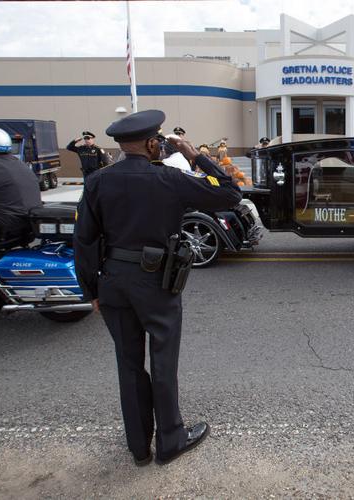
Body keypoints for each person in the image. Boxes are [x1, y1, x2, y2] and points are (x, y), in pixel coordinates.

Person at [73, 110, 242, 466]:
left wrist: (92, 291)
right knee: (162, 361)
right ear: (152, 143)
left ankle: (138, 447)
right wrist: (196, 155)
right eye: (159, 142)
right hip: (156, 281)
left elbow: (84, 240)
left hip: (113, 281)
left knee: (129, 363)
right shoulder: (169, 178)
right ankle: (170, 441)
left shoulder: (98, 181)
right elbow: (230, 194)